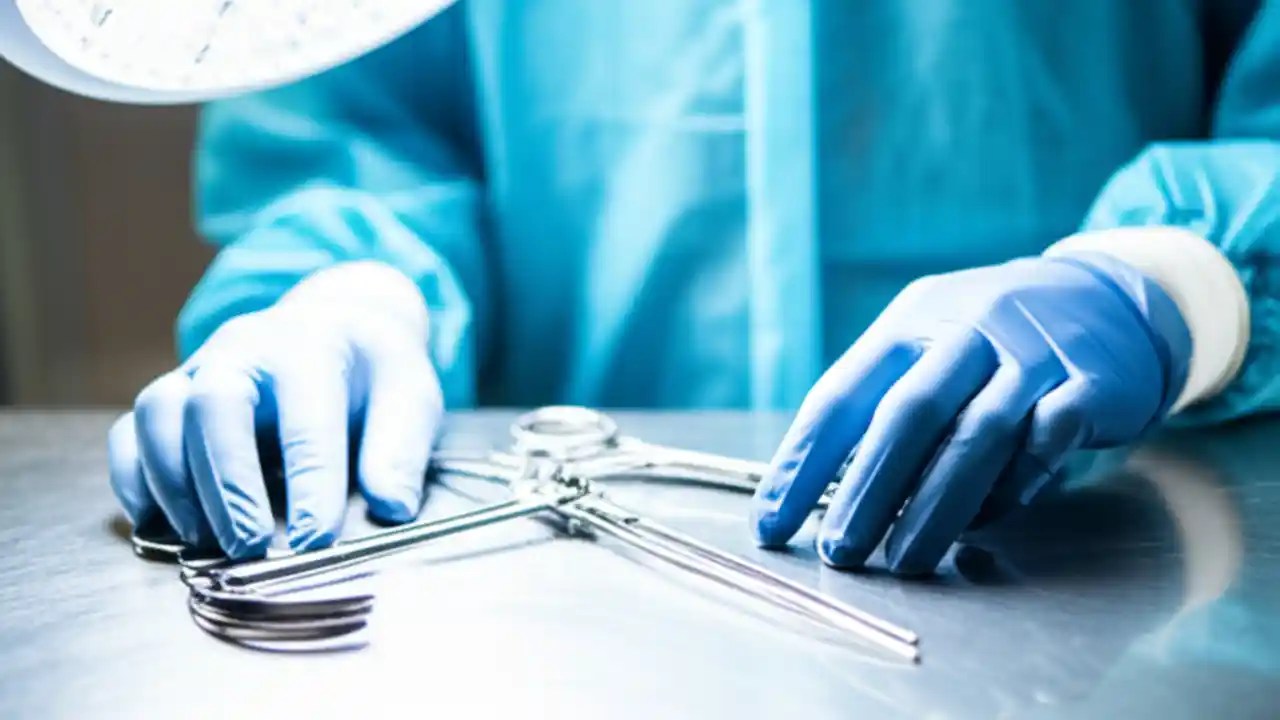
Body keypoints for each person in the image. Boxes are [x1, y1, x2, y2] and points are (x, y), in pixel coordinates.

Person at [106, 1, 1279, 575]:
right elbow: (359, 119)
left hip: (1121, 557)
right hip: (569, 613)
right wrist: (348, 291)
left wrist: (1167, 282)